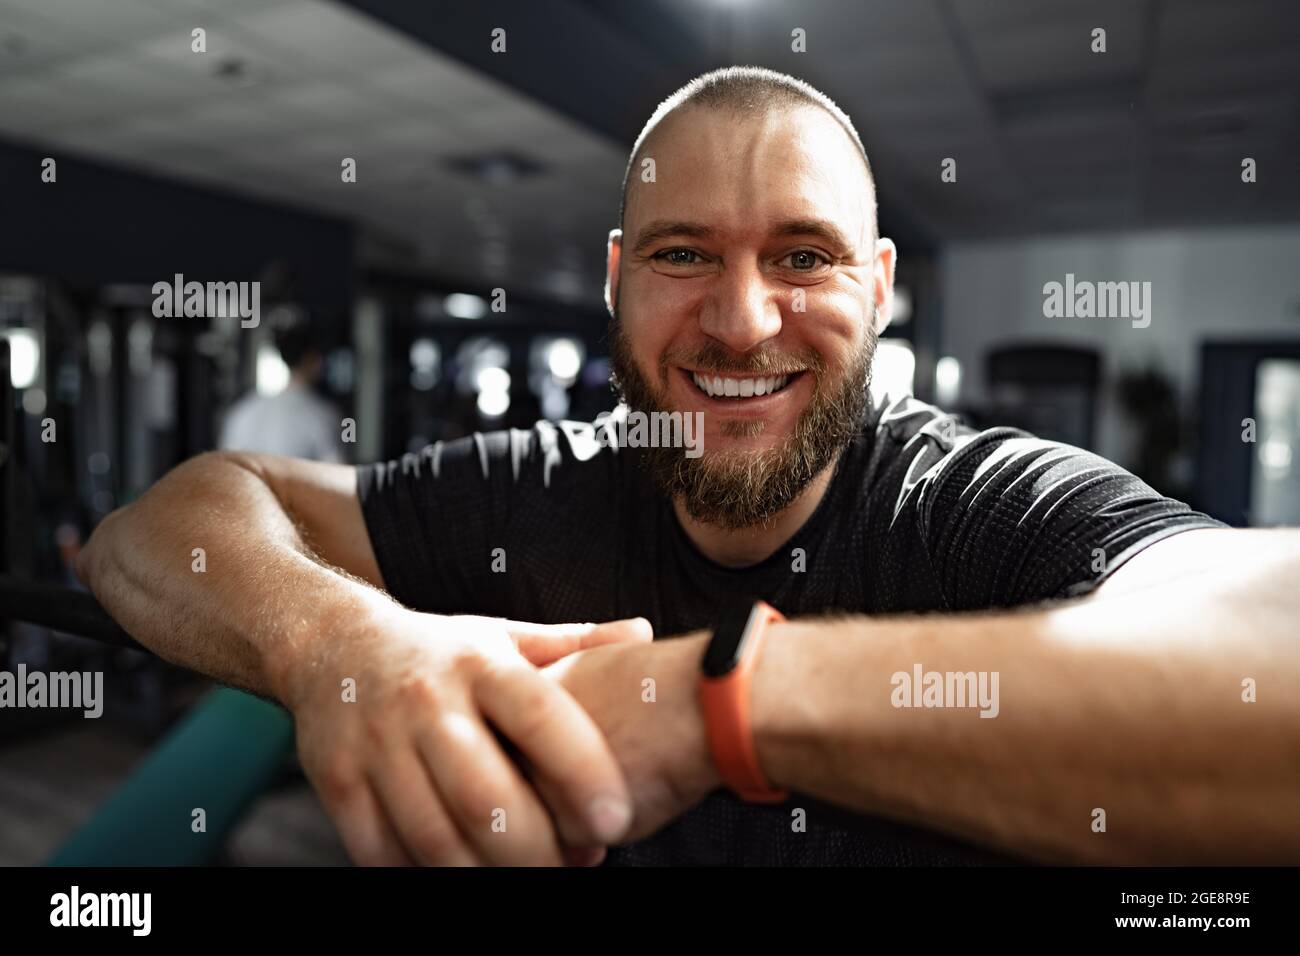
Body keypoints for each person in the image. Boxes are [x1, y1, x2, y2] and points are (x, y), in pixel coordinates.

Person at [76, 67, 1300, 866]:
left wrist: (720, 705)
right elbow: (165, 520)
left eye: (802, 257)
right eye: (683, 255)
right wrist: (335, 643)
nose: (743, 320)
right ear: (615, 279)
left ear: (877, 290)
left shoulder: (967, 509)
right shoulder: (538, 489)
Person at [219, 310, 346, 463]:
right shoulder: (324, 416)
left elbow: (225, 471)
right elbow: (336, 478)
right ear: (314, 360)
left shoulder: (243, 411)